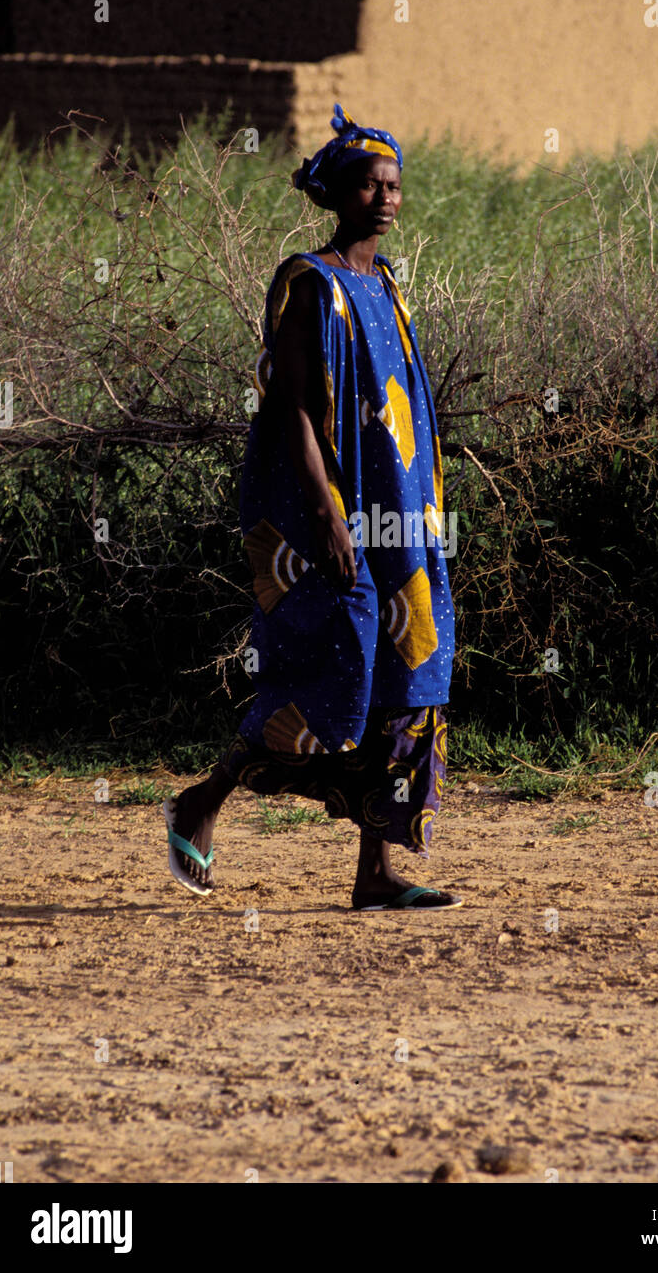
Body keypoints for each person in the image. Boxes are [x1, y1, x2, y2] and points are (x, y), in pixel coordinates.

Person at [163, 104, 461, 911]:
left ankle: (376, 872)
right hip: (331, 515)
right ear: (335, 192)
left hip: (401, 512)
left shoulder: (387, 284)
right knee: (335, 676)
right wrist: (328, 515)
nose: (385, 198)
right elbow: (290, 407)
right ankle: (204, 798)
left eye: (393, 185)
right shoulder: (309, 281)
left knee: (412, 677)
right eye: (367, 184)